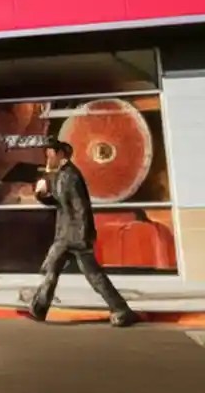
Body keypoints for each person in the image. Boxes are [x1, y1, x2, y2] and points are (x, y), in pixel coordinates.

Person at [27, 138, 138, 327]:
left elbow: (81, 207)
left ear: (60, 153)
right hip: (65, 234)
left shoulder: (71, 176)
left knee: (92, 275)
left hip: (75, 236)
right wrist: (41, 195)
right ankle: (39, 307)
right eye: (47, 154)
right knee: (51, 269)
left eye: (51, 153)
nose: (48, 157)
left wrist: (82, 236)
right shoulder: (60, 175)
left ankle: (121, 309)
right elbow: (59, 202)